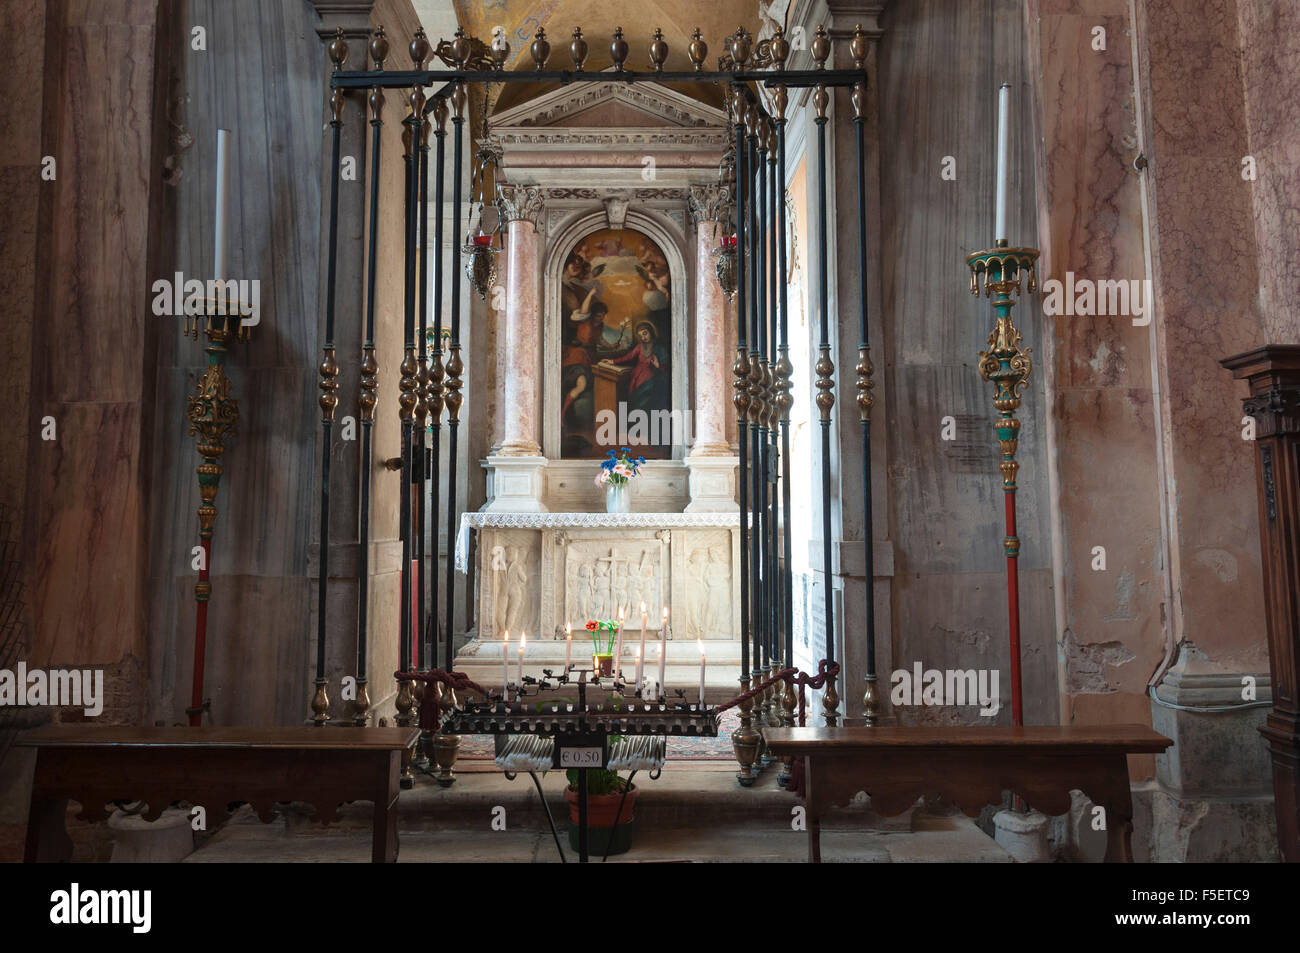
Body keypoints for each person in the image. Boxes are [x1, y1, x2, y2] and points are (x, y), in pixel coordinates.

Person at [608, 321, 670, 415]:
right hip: (636, 378)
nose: (643, 338)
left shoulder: (659, 348)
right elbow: (628, 357)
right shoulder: (639, 347)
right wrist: (612, 361)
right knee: (634, 403)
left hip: (650, 380)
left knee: (646, 404)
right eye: (640, 336)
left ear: (651, 332)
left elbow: (667, 367)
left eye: (645, 333)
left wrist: (658, 365)